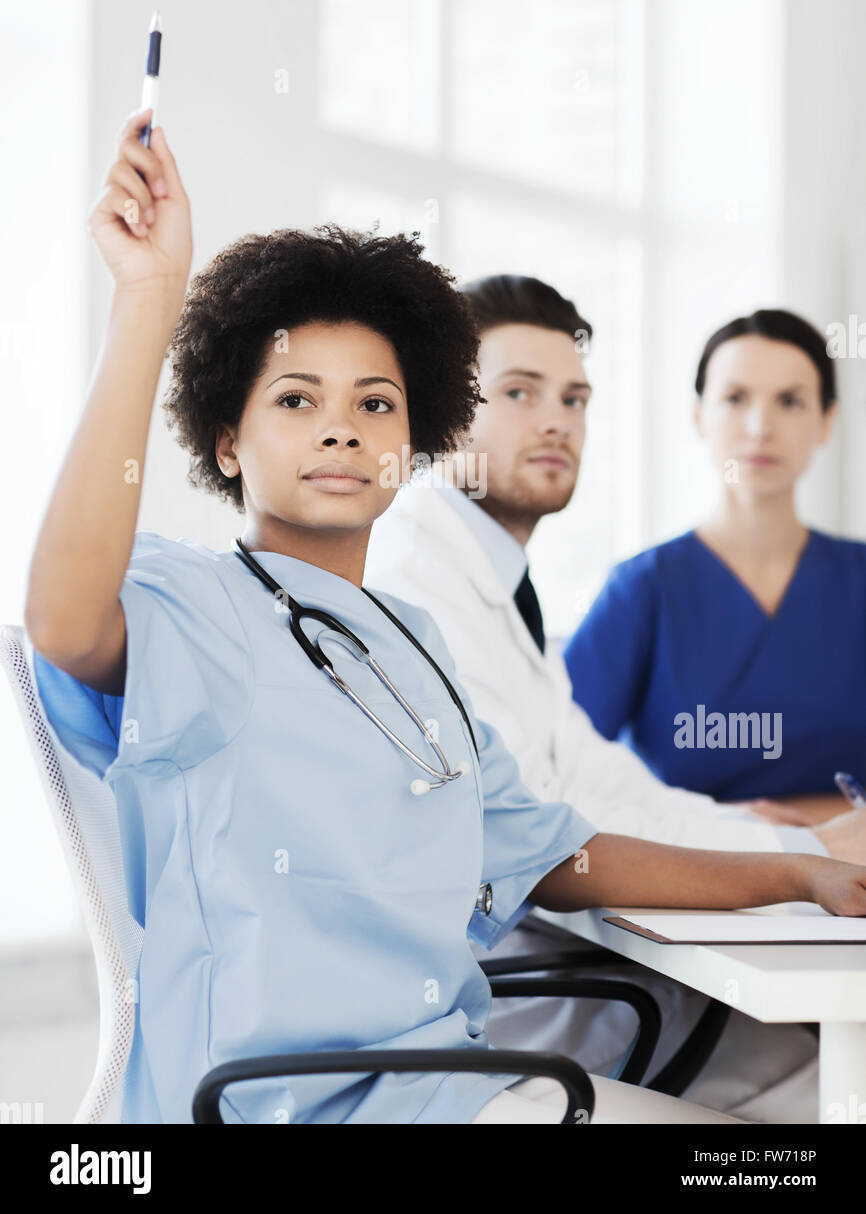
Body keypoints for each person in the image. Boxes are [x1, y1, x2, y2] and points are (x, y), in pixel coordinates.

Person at [23, 117, 866, 1126]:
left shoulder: (410, 644)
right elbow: (65, 622)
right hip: (297, 1109)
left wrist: (796, 869)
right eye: (295, 398)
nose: (341, 424)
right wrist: (147, 299)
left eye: (376, 404)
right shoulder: (193, 604)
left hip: (455, 1086)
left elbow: (558, 855)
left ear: (414, 441)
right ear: (227, 440)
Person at [364, 275, 866, 1121]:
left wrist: (801, 841)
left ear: (827, 421)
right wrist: (800, 855)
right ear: (444, 409)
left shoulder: (491, 586)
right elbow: (552, 834)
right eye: (519, 392)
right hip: (491, 993)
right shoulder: (418, 582)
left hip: (556, 963)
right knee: (826, 1081)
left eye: (576, 398)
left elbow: (600, 782)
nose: (557, 419)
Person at [564, 308, 866, 814]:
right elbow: (560, 774)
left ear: (826, 421)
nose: (759, 427)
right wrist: (738, 828)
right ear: (699, 416)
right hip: (694, 886)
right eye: (735, 398)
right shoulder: (643, 589)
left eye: (789, 401)